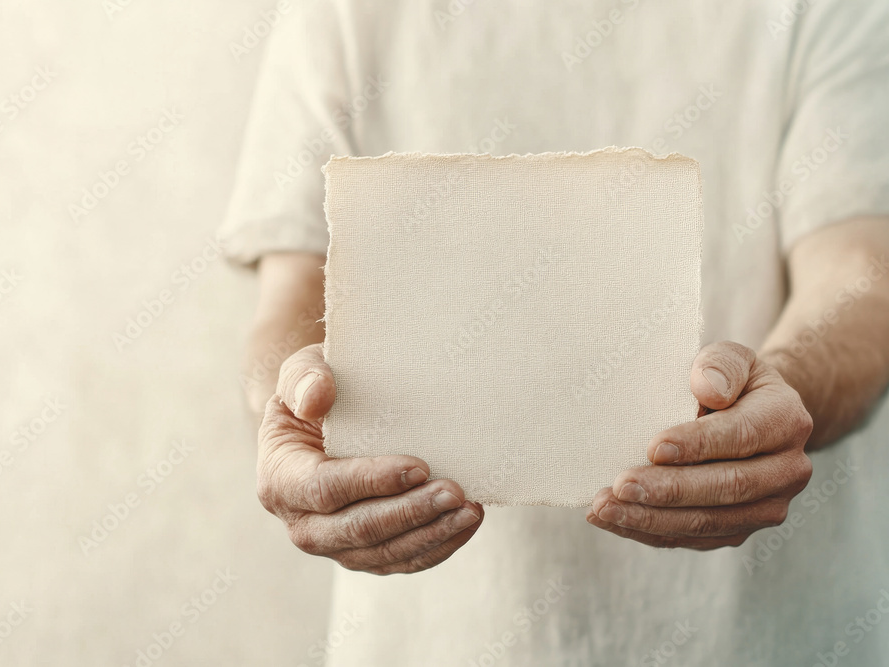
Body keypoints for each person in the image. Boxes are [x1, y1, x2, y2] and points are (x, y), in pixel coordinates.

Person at [220, 1, 889, 664]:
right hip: (438, 642)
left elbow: (862, 277)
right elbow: (291, 302)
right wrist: (292, 415)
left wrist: (781, 394)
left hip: (770, 637)